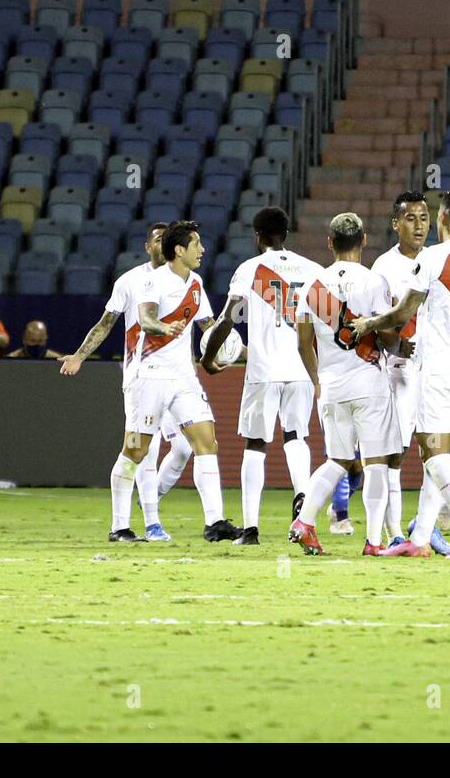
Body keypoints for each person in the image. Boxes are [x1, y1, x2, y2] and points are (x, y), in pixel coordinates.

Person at [349, 188, 450, 559]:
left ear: (442, 217)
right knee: (435, 452)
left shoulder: (434, 258)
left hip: (436, 369)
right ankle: (420, 538)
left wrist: (368, 323)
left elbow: (402, 314)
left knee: (432, 451)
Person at [60, 222, 190, 542]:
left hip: (175, 377)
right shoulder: (130, 281)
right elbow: (106, 324)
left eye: (168, 240)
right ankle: (130, 524)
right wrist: (79, 355)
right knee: (141, 449)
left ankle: (151, 504)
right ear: (148, 247)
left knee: (184, 447)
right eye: (158, 240)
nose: (163, 244)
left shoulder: (186, 281)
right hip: (142, 376)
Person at [201, 206, 322, 545]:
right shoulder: (313, 271)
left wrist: (209, 359)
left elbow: (227, 319)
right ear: (286, 234)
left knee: (256, 445)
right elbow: (326, 322)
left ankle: (251, 529)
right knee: (297, 435)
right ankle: (302, 495)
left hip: (263, 370)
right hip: (302, 368)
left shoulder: (250, 270)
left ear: (257, 236)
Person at [289, 213, 403, 556]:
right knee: (376, 462)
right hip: (369, 383)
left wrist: (317, 381)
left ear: (330, 243)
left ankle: (305, 521)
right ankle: (374, 541)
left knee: (337, 460)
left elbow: (302, 342)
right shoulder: (374, 282)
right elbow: (387, 336)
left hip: (332, 387)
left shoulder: (313, 286)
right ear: (364, 240)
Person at [123, 221, 242, 543]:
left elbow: (207, 325)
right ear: (179, 250)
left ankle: (215, 523)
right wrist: (164, 328)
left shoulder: (197, 282)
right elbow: (146, 319)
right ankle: (120, 523)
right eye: (196, 244)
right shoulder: (153, 281)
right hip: (151, 377)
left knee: (207, 442)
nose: (202, 250)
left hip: (183, 378)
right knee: (135, 451)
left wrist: (239, 348)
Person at [369, 191, 428, 547]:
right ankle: (395, 534)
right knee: (396, 453)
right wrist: (394, 341)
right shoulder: (383, 268)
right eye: (410, 218)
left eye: (423, 218)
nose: (418, 225)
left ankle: (427, 523)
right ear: (396, 224)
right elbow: (376, 318)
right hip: (399, 369)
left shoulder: (436, 261)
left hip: (435, 369)